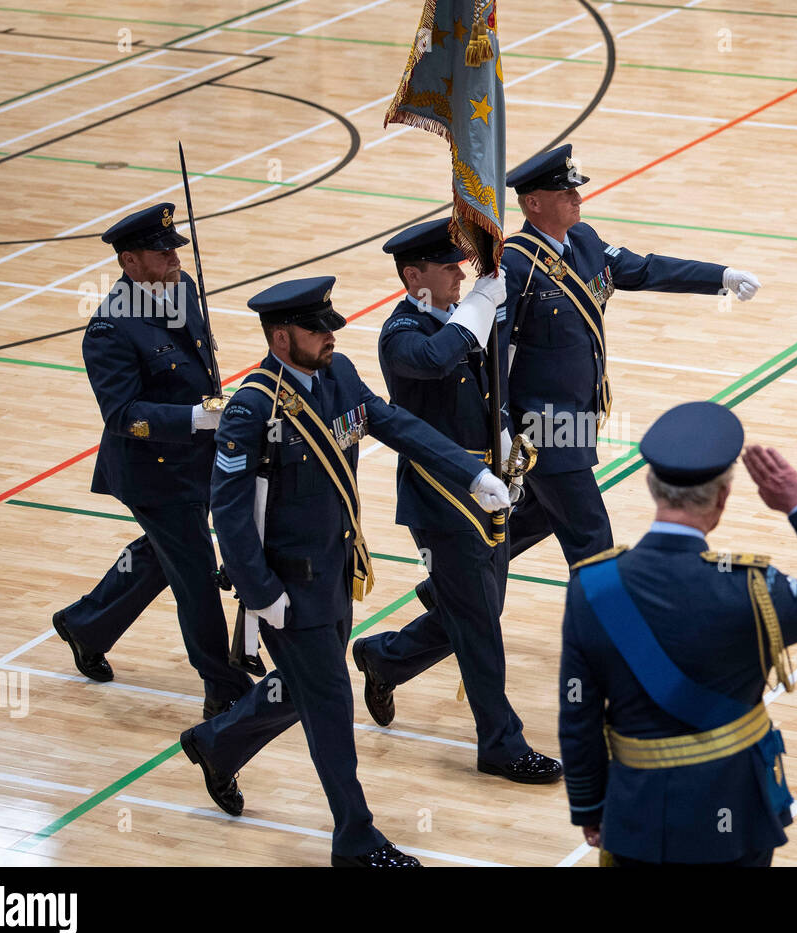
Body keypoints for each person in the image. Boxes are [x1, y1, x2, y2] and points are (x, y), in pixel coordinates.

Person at [178, 275, 511, 867]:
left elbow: (399, 426)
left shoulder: (338, 377)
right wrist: (261, 595)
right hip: (286, 588)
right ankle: (355, 838)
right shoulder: (252, 409)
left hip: (337, 571)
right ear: (282, 339)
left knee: (310, 685)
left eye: (331, 325)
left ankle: (216, 743)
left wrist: (470, 473)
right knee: (331, 705)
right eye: (316, 329)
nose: (330, 336)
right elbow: (227, 513)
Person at [558, 401, 797, 866]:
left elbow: (578, 717)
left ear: (651, 487)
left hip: (636, 817)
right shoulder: (753, 589)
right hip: (734, 816)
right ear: (724, 497)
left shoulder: (593, 587)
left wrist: (589, 806)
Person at [350, 219, 562, 785]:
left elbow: (492, 387)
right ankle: (500, 743)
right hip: (441, 495)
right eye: (448, 267)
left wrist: (510, 441)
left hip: (488, 485)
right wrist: (479, 307)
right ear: (412, 275)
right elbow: (441, 357)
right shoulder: (400, 335)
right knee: (479, 625)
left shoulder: (457, 318)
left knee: (478, 613)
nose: (460, 274)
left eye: (459, 265)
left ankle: (386, 658)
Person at [501, 144, 763, 567]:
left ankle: (448, 593)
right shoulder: (514, 266)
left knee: (538, 516)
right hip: (543, 425)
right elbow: (494, 355)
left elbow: (645, 270)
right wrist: (500, 428)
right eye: (566, 194)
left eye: (576, 191)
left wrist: (721, 277)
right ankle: (605, 630)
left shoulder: (584, 241)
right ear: (534, 203)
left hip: (583, 413)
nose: (578, 198)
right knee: (593, 541)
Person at [52, 202, 252, 719]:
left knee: (164, 555)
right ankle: (221, 685)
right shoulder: (109, 329)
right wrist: (196, 418)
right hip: (154, 472)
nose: (173, 261)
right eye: (161, 254)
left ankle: (86, 624)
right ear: (129, 263)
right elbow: (122, 414)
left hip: (200, 457)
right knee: (197, 576)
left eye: (174, 251)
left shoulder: (180, 288)